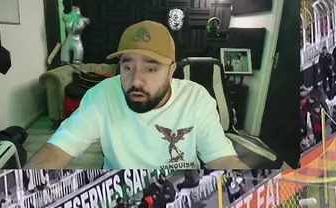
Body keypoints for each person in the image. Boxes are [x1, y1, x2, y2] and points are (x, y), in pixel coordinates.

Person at [27, 21, 249, 170]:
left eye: (150, 69)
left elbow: (222, 159)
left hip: (181, 192)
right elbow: (57, 149)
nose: (135, 81)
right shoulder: (102, 96)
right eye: (127, 67)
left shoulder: (196, 98)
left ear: (171, 71)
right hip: (120, 194)